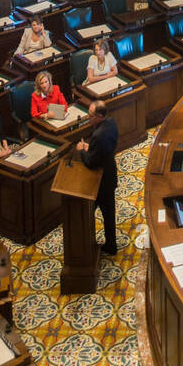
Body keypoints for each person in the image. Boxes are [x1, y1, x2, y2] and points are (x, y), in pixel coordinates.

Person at [77, 100, 119, 255]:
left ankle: (86, 248)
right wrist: (92, 148)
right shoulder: (111, 123)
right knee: (109, 215)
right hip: (110, 174)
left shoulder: (97, 135)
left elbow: (90, 162)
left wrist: (82, 150)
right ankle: (111, 244)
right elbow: (102, 150)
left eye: (91, 115)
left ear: (100, 116)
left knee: (85, 213)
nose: (88, 118)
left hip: (100, 183)